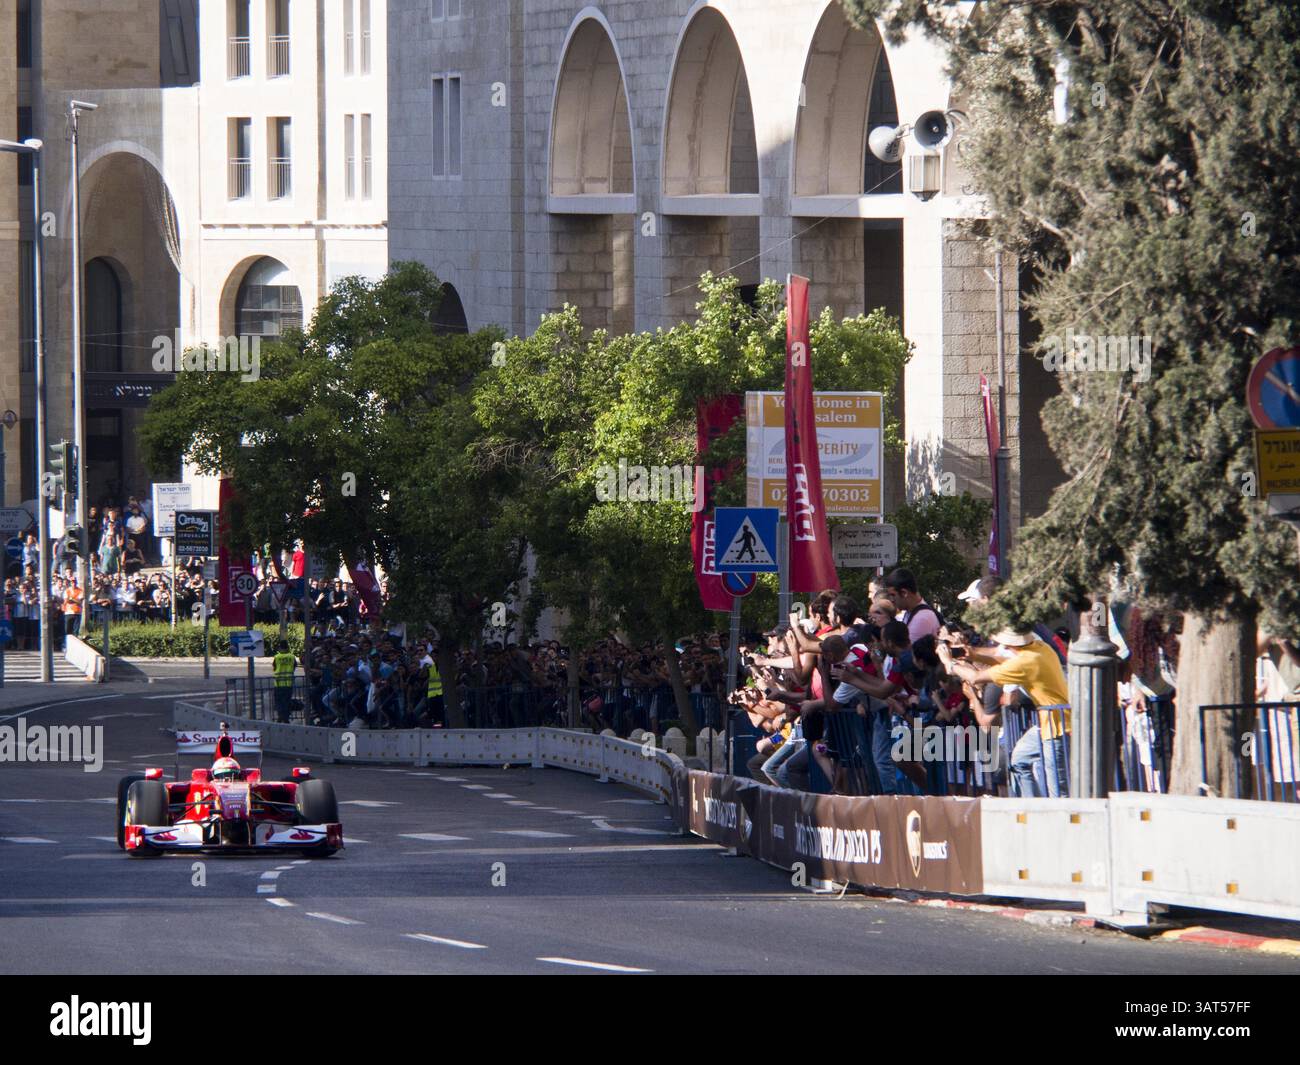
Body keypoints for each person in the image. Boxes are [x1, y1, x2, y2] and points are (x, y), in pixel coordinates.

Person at [937, 627, 1070, 797]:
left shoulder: (1024, 664)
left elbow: (975, 677)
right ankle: (1032, 807)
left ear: (1011, 644)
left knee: (1059, 792)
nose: (1003, 648)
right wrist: (973, 655)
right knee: (1019, 761)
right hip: (1049, 722)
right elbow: (1003, 659)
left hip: (1056, 727)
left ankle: (1057, 816)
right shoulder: (1040, 647)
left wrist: (950, 663)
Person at [883, 568, 943, 643]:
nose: (891, 600)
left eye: (893, 595)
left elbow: (906, 652)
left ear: (904, 593)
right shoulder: (912, 613)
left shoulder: (921, 619)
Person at [271, 640, 297, 723]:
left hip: (278, 683)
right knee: (287, 701)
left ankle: (280, 717)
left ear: (279, 647)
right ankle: (286, 717)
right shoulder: (292, 657)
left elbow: (274, 667)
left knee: (279, 701)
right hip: (288, 683)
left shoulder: (277, 657)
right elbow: (294, 667)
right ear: (287, 647)